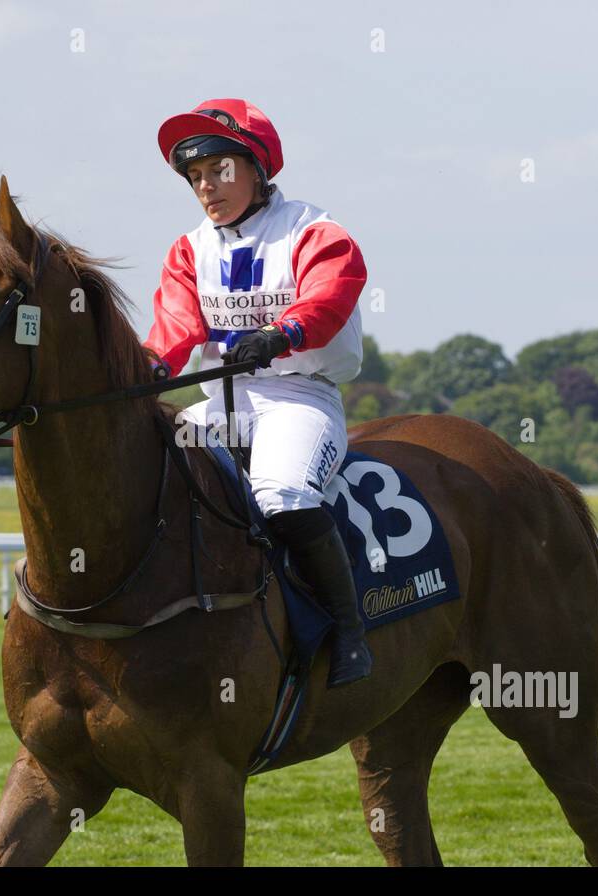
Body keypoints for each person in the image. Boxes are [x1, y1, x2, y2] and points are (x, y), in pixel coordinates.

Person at [142, 98, 373, 688]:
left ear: (256, 168)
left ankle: (349, 630)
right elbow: (175, 329)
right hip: (223, 403)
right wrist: (143, 370)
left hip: (299, 396)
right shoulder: (189, 249)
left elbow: (327, 297)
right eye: (195, 178)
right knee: (139, 471)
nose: (206, 188)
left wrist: (279, 334)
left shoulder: (316, 231)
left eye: (218, 171)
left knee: (283, 496)